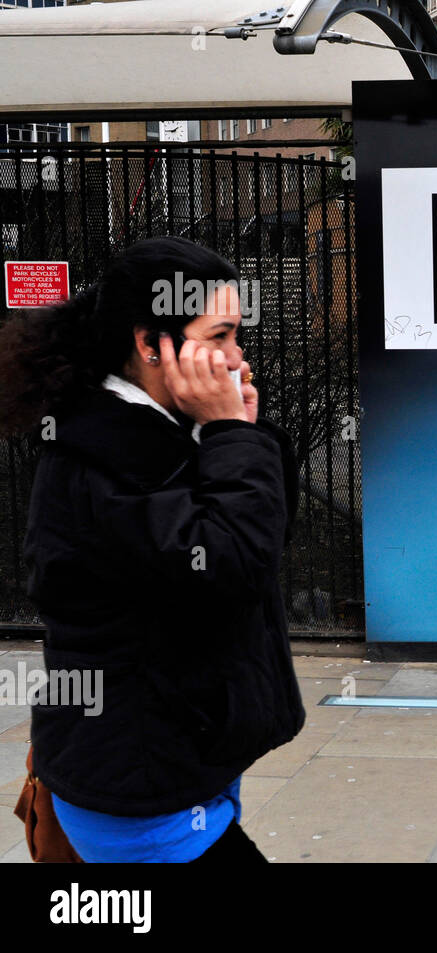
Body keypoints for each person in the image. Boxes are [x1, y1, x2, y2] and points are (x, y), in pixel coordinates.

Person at [0, 236, 305, 861]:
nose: (235, 356)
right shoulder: (107, 458)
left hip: (181, 763)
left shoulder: (161, 432)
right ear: (148, 344)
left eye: (235, 335)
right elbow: (234, 564)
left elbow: (266, 535)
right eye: (218, 336)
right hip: (138, 791)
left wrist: (238, 434)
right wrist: (228, 434)